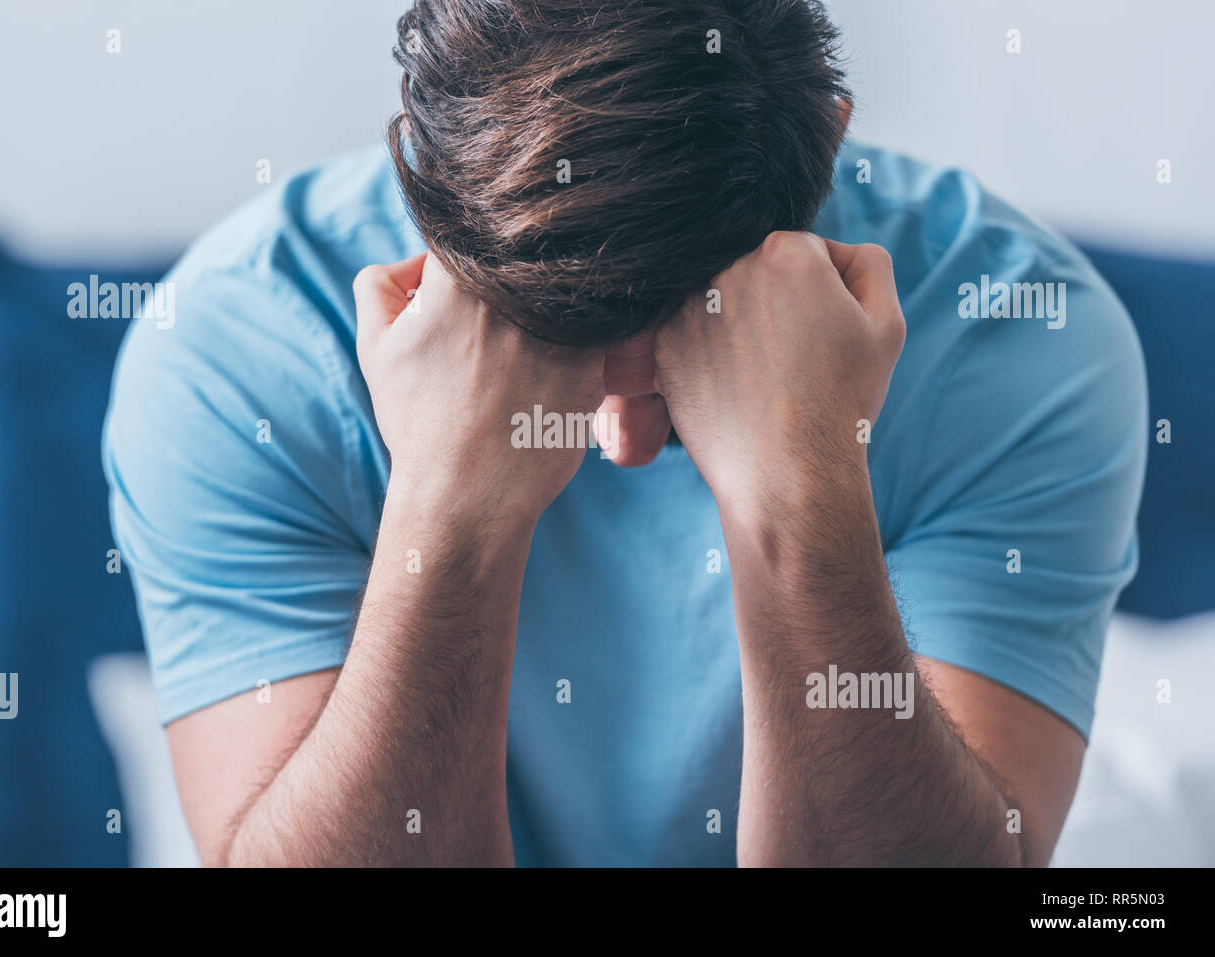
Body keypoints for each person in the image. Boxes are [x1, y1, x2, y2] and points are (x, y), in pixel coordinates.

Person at [102, 0, 1146, 866]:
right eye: (555, 343)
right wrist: (447, 512)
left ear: (825, 144)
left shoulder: (1020, 337)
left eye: (681, 355)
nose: (624, 449)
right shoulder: (239, 350)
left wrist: (800, 492)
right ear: (428, 179)